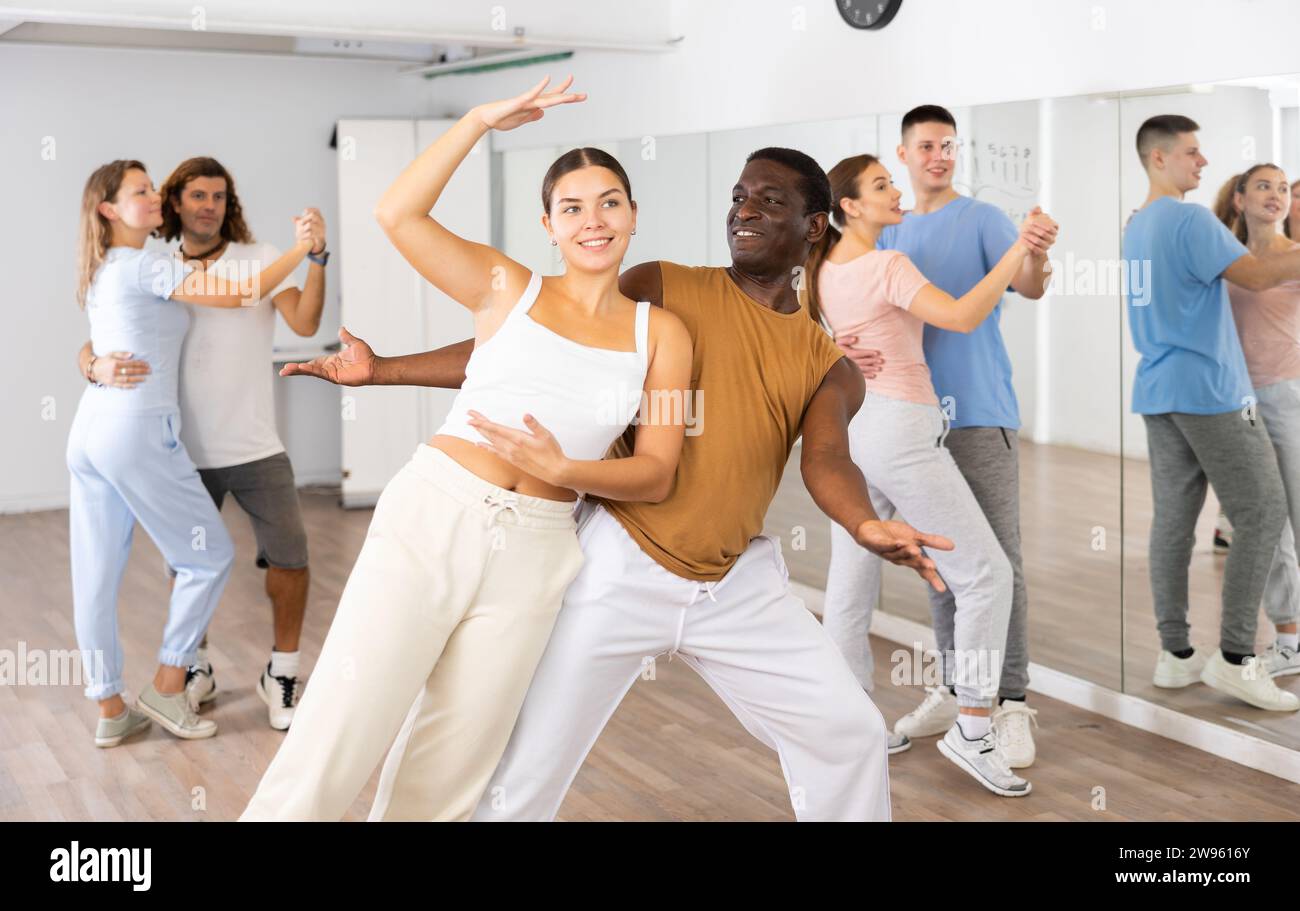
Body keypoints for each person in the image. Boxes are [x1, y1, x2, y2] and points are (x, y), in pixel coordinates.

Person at [286, 145, 954, 822]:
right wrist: (385, 370)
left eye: (770, 200)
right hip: (617, 565)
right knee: (520, 773)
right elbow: (533, 349)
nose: (745, 210)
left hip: (734, 583)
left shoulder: (830, 365)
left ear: (814, 227)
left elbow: (827, 460)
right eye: (738, 196)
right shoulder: (664, 288)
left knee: (851, 731)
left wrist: (866, 523)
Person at [241, 77, 695, 821]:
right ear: (547, 223)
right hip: (436, 514)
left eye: (609, 202)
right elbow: (397, 212)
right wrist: (480, 118)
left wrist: (565, 470)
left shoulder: (661, 334)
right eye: (572, 207)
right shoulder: (503, 285)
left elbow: (657, 471)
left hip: (540, 552)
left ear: (634, 215)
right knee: (343, 721)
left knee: (454, 760)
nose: (593, 220)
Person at [811, 153, 1055, 796]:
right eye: (882, 186)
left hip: (855, 429)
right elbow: (962, 315)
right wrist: (1017, 250)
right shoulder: (886, 263)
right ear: (850, 208)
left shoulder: (822, 271)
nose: (897, 192)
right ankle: (974, 727)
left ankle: (852, 722)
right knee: (986, 574)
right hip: (899, 429)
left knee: (850, 585)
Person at [76, 157, 329, 729]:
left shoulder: (248, 259)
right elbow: (99, 343)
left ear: (228, 203)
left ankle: (273, 672)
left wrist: (314, 259)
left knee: (285, 559)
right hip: (177, 445)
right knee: (196, 561)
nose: (208, 205)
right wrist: (93, 363)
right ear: (174, 203)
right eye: (196, 195)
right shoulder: (154, 264)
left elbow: (307, 324)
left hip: (247, 444)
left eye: (219, 195)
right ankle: (189, 671)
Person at [1127, 114, 1300, 711]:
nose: (1204, 164)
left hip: (1158, 389)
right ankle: (1236, 659)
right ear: (1159, 159)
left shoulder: (1138, 224)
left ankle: (1175, 655)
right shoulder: (1188, 218)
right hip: (1211, 390)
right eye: (1193, 154)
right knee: (1265, 509)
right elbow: (1252, 276)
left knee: (1174, 521)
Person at [1214, 164, 1300, 678]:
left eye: (1283, 188)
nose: (1276, 195)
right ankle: (1289, 637)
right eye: (1263, 185)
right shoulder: (1224, 258)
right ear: (1240, 198)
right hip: (1236, 401)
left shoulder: (1295, 257)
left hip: (1287, 397)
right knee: (1267, 522)